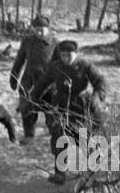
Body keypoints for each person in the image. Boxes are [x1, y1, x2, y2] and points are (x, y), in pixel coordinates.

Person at [34, 39, 107, 184]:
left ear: (76, 54)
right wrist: (34, 98)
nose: (66, 59)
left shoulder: (85, 66)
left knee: (85, 139)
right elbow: (43, 83)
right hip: (60, 107)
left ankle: (95, 174)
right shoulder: (55, 67)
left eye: (69, 55)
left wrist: (97, 96)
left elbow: (100, 81)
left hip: (79, 107)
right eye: (63, 55)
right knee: (58, 138)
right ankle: (60, 174)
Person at [9, 14, 58, 140]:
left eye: (42, 29)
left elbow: (61, 65)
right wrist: (14, 78)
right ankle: (29, 136)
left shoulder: (55, 43)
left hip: (49, 84)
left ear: (48, 29)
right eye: (37, 30)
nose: (39, 32)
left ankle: (53, 136)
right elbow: (19, 60)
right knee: (27, 110)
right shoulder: (27, 42)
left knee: (52, 112)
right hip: (29, 82)